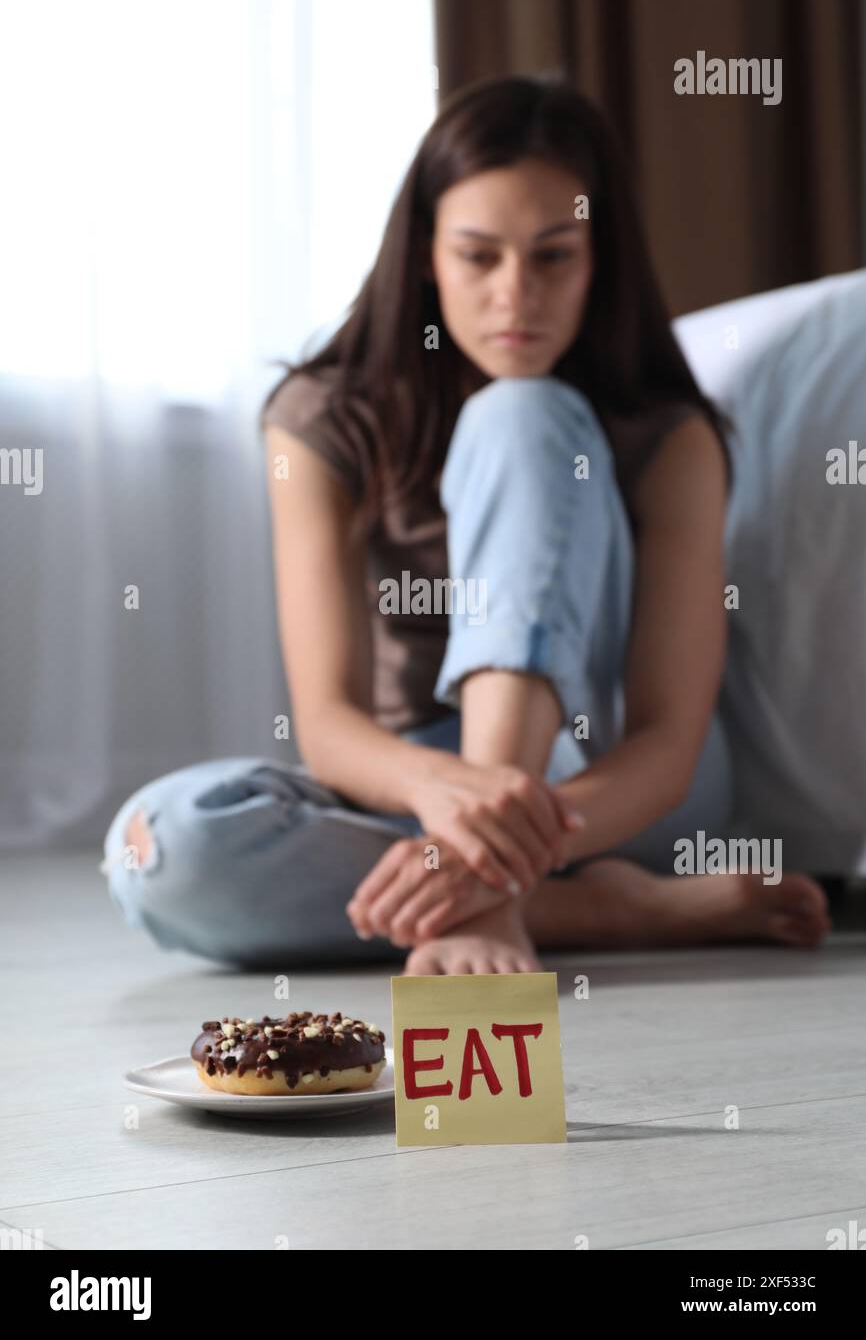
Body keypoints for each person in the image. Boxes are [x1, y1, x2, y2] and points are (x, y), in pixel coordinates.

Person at [103, 76, 831, 973]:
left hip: (612, 794)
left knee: (521, 415)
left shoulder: (670, 435)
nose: (515, 296)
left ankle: (497, 899)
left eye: (553, 255)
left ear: (599, 258)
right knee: (162, 849)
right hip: (421, 792)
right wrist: (453, 814)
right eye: (479, 256)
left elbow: (668, 747)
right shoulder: (321, 416)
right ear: (425, 256)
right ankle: (601, 913)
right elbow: (329, 725)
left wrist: (480, 849)